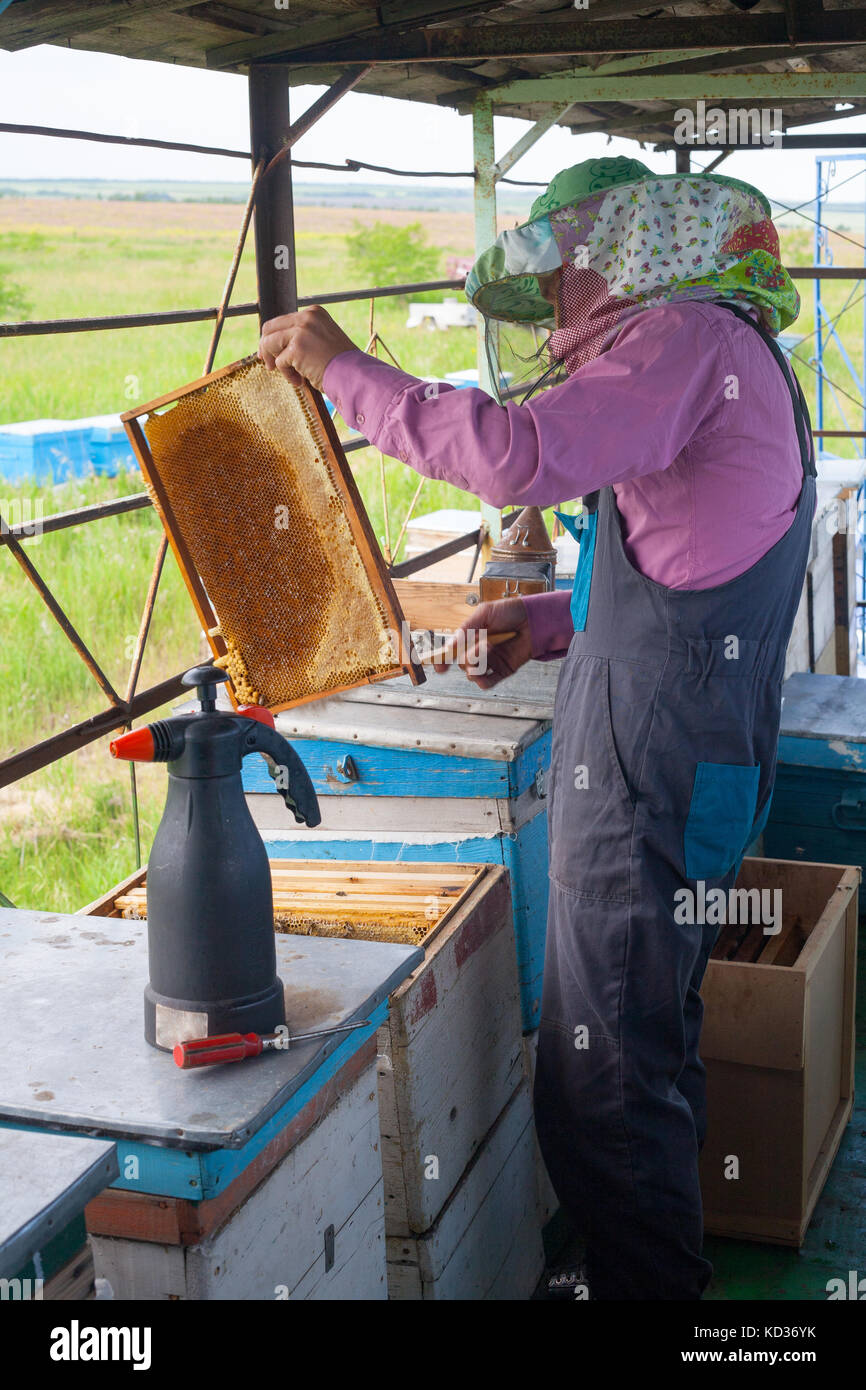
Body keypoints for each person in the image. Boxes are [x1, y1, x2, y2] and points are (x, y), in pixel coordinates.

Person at [259, 156, 815, 1300]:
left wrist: (341, 368)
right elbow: (686, 564)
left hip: (645, 773)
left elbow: (512, 455)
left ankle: (647, 1290)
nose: (556, 309)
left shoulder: (685, 345)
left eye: (562, 278)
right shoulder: (733, 358)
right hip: (696, 764)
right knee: (647, 1044)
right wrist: (544, 622)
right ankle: (653, 1273)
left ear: (621, 253)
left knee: (602, 1079)